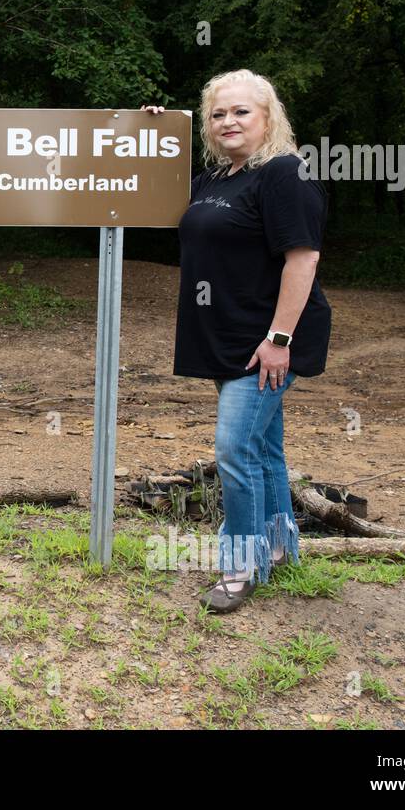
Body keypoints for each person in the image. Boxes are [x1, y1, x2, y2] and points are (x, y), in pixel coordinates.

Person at [146, 69, 331, 613]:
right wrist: (150, 134)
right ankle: (280, 549)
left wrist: (279, 337)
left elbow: (304, 258)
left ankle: (239, 567)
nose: (228, 121)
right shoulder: (217, 179)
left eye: (241, 111)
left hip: (268, 340)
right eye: (218, 113)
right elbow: (156, 190)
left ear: (267, 117)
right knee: (263, 448)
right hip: (228, 337)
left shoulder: (284, 175)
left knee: (233, 450)